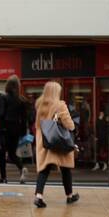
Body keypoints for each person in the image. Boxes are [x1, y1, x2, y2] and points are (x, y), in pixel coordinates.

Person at [32, 80, 79, 208]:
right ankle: (69, 196)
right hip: (58, 141)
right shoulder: (60, 105)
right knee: (65, 168)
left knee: (44, 169)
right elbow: (69, 124)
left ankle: (38, 196)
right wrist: (73, 127)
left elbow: (37, 125)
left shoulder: (40, 105)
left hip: (45, 141)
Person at [0, 76, 30, 184]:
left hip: (4, 129)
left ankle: (3, 177)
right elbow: (24, 118)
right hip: (15, 130)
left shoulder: (3, 97)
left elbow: (1, 113)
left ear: (7, 86)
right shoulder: (21, 100)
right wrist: (23, 132)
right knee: (11, 154)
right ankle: (21, 168)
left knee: (1, 153)